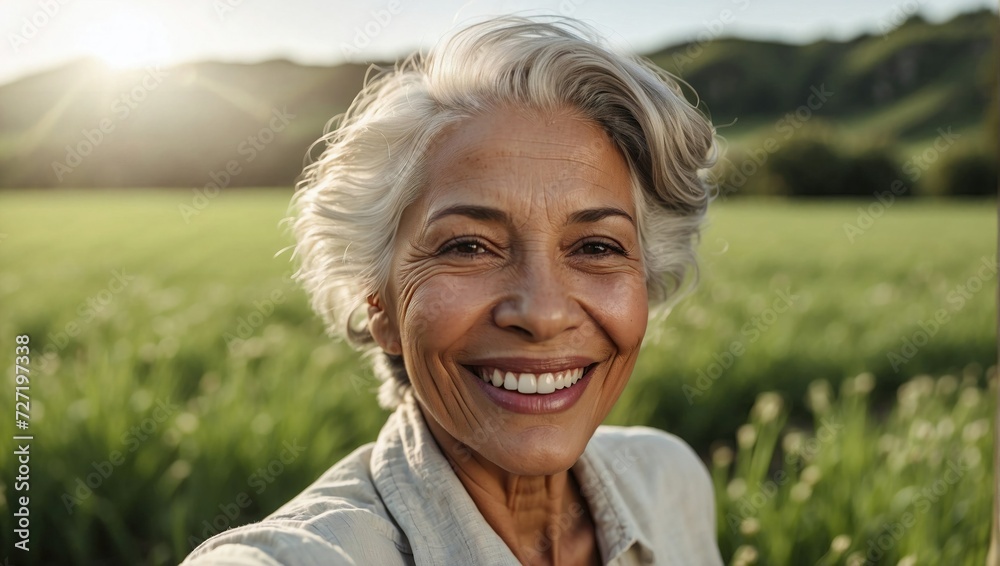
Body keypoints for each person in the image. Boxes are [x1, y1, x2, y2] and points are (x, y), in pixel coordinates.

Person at [184, 15, 723, 565]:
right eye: (468, 247)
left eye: (597, 248)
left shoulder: (669, 481)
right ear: (380, 303)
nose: (542, 313)